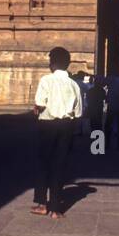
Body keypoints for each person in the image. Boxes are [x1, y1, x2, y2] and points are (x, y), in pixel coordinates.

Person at [32, 46, 82, 220]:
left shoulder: (46, 80)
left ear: (52, 63)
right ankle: (55, 208)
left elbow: (40, 103)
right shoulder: (74, 84)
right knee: (60, 164)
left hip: (47, 125)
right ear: (68, 64)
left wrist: (36, 109)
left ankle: (42, 203)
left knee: (43, 162)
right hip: (66, 125)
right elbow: (79, 111)